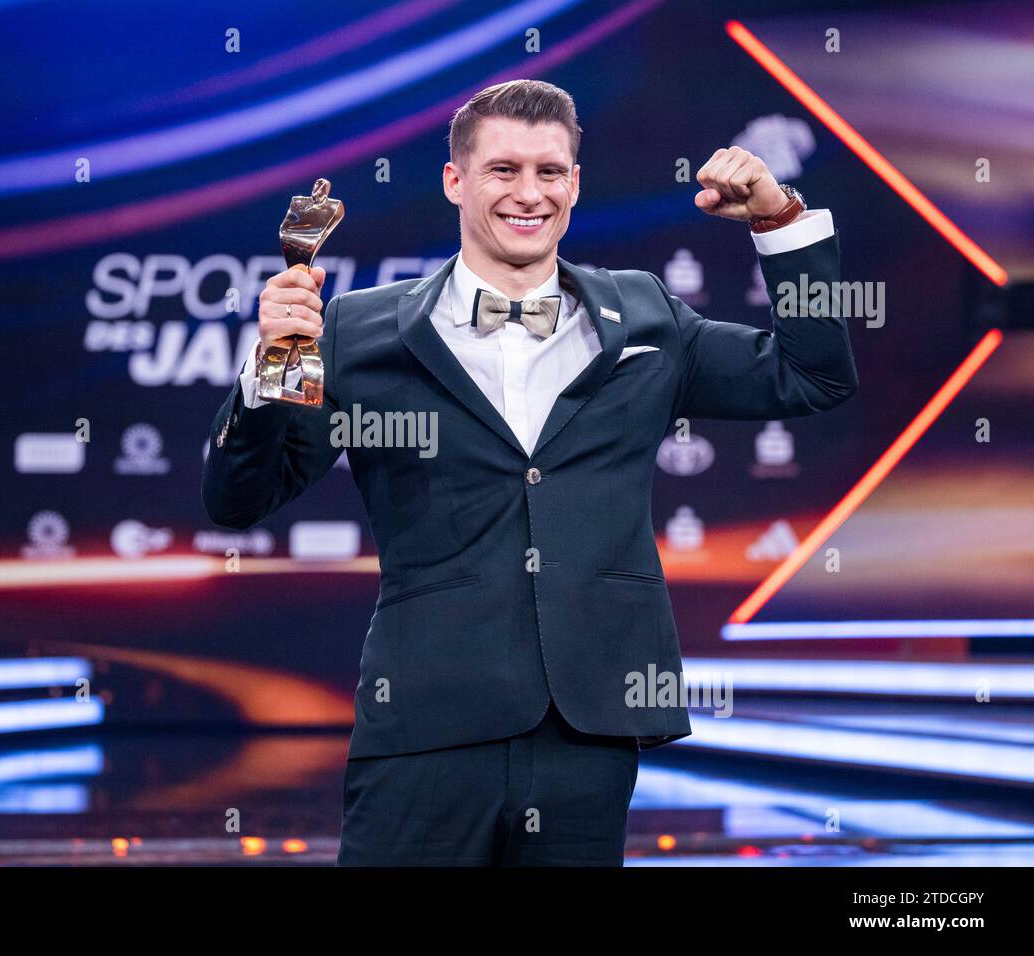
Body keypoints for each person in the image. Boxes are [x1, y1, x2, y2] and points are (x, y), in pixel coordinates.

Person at [202, 79, 857, 866]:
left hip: (588, 728)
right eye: (503, 170)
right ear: (456, 180)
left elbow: (812, 377)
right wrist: (274, 360)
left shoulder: (646, 314)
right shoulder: (356, 327)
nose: (529, 193)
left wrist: (777, 218)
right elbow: (240, 496)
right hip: (425, 722)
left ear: (575, 183)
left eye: (550, 172)